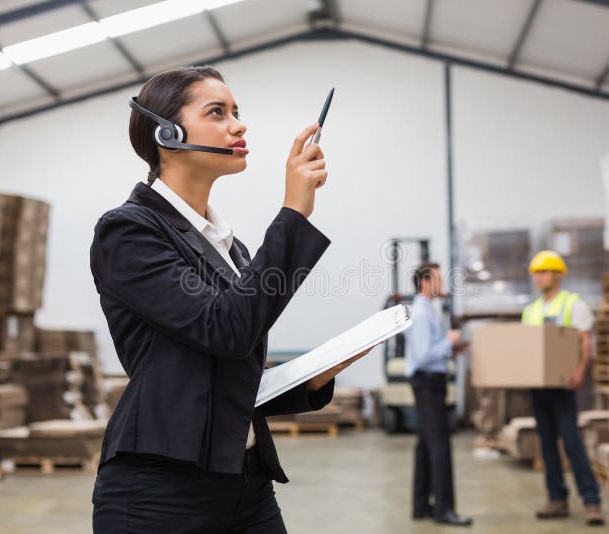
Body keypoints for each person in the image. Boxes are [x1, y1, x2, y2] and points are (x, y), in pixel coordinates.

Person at [90, 66, 368, 533]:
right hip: (160, 492)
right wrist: (294, 210)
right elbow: (225, 328)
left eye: (236, 112)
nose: (239, 125)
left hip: (245, 483)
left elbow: (225, 373)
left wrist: (312, 379)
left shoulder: (229, 249)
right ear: (167, 133)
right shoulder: (128, 231)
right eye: (217, 112)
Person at [523, 250, 605, 526]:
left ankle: (592, 501)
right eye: (536, 273)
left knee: (571, 442)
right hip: (538, 387)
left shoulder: (572, 304)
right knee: (546, 444)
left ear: (557, 274)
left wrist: (580, 371)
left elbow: (584, 340)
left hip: (564, 385)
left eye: (543, 272)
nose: (538, 278)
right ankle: (556, 499)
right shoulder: (531, 310)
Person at [404, 262, 472, 527]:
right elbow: (423, 356)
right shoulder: (421, 312)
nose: (442, 284)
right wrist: (449, 342)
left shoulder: (427, 310)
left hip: (430, 380)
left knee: (424, 445)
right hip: (428, 383)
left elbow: (429, 350)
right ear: (424, 282)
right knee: (440, 447)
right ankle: (445, 509)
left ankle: (421, 506)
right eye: (438, 279)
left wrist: (449, 350)